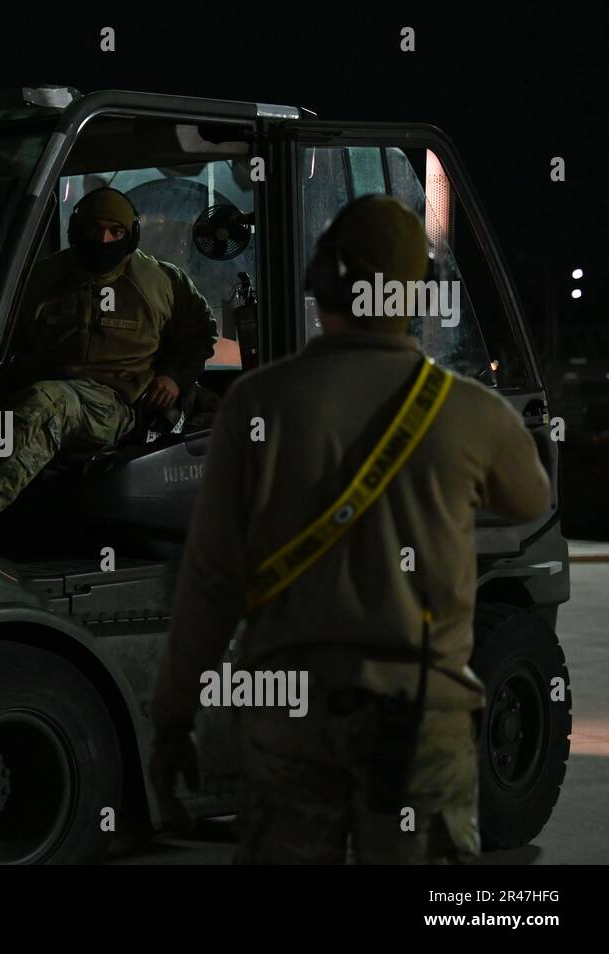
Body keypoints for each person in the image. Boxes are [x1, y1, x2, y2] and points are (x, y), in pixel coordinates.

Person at [148, 194, 551, 863]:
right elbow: (528, 498)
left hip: (289, 716)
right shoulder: (469, 411)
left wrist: (173, 719)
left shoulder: (256, 402)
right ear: (416, 294)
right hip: (420, 717)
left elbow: (210, 579)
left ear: (326, 282)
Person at [0, 186, 218, 528]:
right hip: (42, 393)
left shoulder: (161, 282)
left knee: (47, 402)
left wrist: (174, 376)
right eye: (94, 229)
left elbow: (200, 333)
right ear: (77, 230)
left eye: (115, 231)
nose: (104, 240)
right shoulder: (43, 279)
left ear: (130, 235)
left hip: (118, 407)